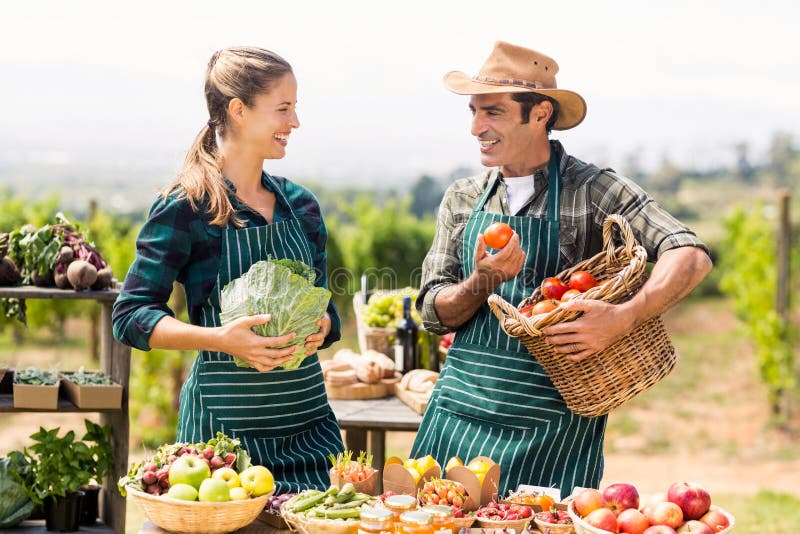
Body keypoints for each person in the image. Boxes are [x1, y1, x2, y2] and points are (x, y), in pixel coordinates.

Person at [411, 41, 712, 497]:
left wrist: (625, 316)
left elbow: (690, 253)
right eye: (473, 112)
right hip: (459, 414)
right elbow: (433, 313)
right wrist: (481, 283)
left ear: (540, 114)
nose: (476, 127)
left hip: (551, 425)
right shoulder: (463, 197)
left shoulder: (592, 190)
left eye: (492, 112)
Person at [112, 47, 344, 493]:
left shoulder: (302, 206)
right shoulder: (187, 207)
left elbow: (324, 303)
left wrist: (325, 324)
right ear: (238, 110)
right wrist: (219, 339)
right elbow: (131, 315)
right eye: (283, 109)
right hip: (221, 449)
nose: (294, 123)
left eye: (295, 109)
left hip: (310, 433)